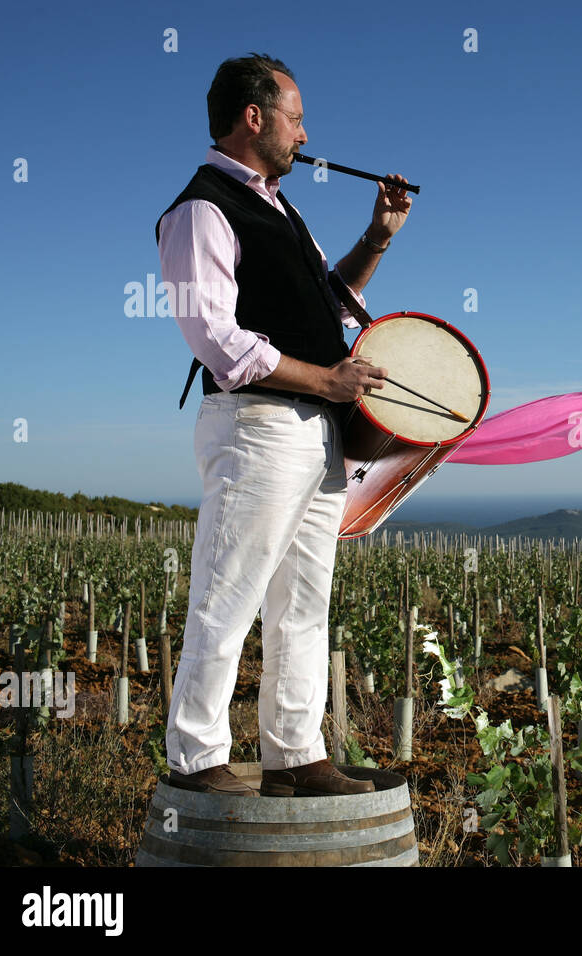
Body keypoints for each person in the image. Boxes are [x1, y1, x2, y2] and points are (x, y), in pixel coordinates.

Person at [156, 54, 412, 796]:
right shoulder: (200, 210)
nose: (305, 134)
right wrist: (327, 379)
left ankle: (295, 757)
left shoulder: (281, 209)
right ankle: (195, 759)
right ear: (254, 117)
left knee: (303, 602)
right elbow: (216, 338)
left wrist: (378, 236)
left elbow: (327, 302)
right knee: (227, 594)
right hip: (256, 426)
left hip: (313, 431)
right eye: (296, 119)